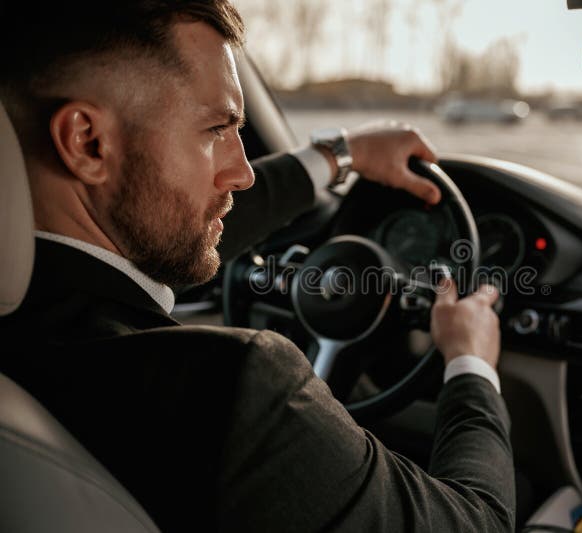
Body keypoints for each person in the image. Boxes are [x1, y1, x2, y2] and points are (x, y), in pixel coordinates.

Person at [0, 2, 515, 532]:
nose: (243, 173)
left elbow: (156, 209)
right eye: (216, 129)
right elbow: (480, 524)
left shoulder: (25, 315)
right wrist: (470, 363)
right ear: (87, 141)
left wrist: (341, 155)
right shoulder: (235, 389)